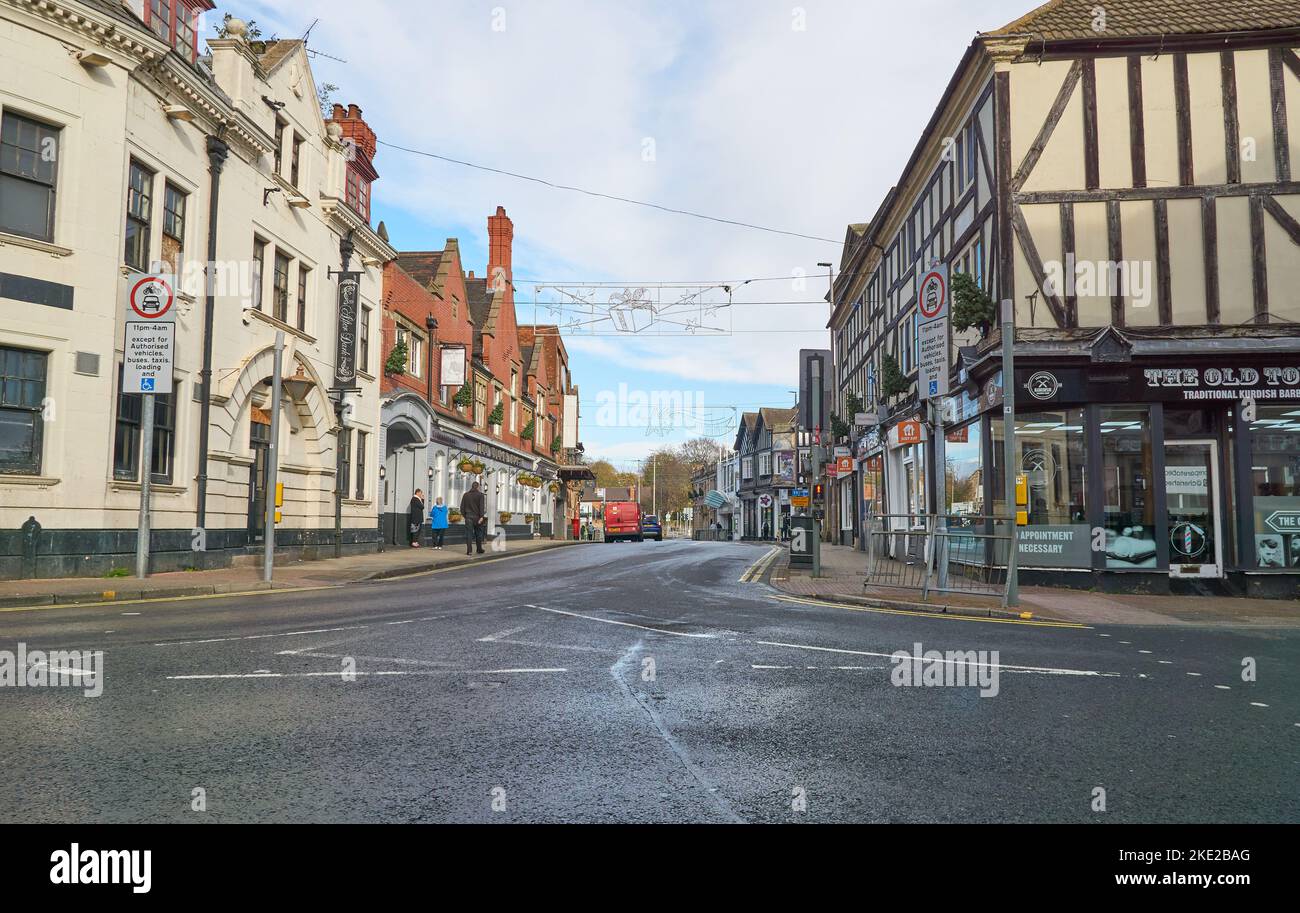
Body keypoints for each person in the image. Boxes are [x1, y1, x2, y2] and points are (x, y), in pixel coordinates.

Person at [460, 481, 487, 555]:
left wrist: (465, 516)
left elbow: (462, 507)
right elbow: (481, 507)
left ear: (472, 486)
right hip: (478, 518)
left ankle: (469, 551)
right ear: (478, 487)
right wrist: (481, 516)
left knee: (469, 534)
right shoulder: (480, 495)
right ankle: (479, 549)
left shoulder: (465, 495)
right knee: (478, 534)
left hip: (468, 517)